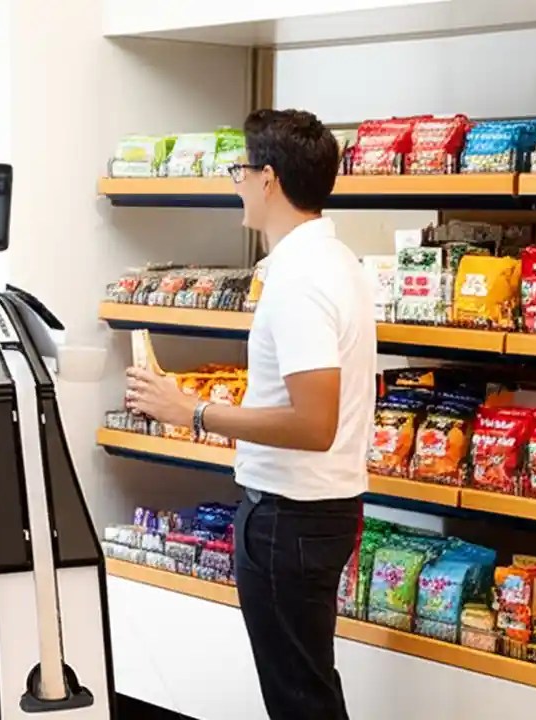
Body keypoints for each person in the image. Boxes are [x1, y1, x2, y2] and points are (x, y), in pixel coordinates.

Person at [124, 108, 375, 720]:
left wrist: (194, 411)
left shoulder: (300, 282)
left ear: (268, 181)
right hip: (317, 513)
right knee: (307, 685)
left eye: (239, 169)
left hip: (291, 519)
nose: (234, 181)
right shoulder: (337, 263)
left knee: (298, 697)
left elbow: (314, 424)